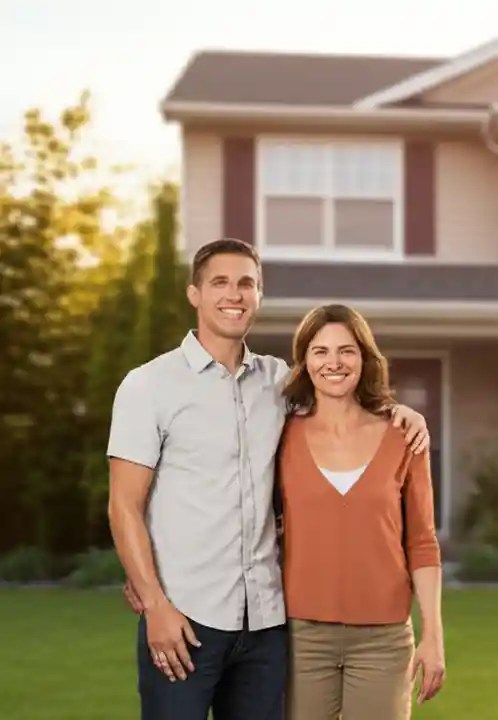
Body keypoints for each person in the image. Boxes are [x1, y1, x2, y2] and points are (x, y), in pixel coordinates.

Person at [107, 237, 429, 720]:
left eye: (246, 284)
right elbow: (123, 506)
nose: (233, 294)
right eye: (220, 282)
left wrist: (399, 412)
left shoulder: (278, 384)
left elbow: (339, 397)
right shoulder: (149, 385)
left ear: (259, 296)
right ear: (194, 293)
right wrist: (153, 601)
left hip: (266, 627)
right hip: (184, 620)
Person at [276, 303, 446, 720]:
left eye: (346, 350)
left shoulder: (403, 435)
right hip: (299, 637)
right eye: (320, 351)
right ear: (304, 361)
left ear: (364, 358)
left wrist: (434, 635)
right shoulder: (279, 434)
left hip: (383, 641)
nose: (333, 362)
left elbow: (422, 542)